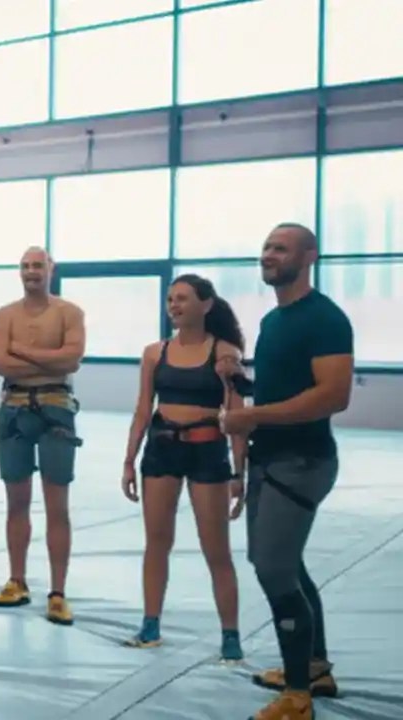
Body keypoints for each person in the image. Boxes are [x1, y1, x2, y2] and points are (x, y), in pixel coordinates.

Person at [219, 223, 354, 720]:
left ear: (309, 257)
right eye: (266, 248)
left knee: (274, 568)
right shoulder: (274, 322)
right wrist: (240, 382)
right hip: (271, 458)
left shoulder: (325, 319)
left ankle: (298, 696)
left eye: (280, 248)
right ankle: (314, 667)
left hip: (303, 461)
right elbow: (281, 391)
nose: (269, 255)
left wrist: (250, 417)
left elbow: (332, 395)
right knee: (286, 564)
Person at [120, 274, 247, 662]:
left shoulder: (226, 353)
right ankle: (150, 624)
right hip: (161, 450)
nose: (174, 305)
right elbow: (144, 407)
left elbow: (238, 415)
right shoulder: (154, 353)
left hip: (207, 452)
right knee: (157, 541)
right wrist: (129, 460)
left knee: (216, 550)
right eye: (170, 299)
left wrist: (239, 473)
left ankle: (230, 634)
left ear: (206, 305)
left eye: (183, 299)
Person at [0, 246, 85, 626]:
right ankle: (17, 580)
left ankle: (58, 592)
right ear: (19, 271)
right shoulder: (4, 314)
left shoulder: (69, 313)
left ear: (50, 269)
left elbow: (71, 360)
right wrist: (48, 355)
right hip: (13, 408)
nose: (32, 271)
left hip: (55, 407)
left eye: (38, 265)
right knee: (16, 501)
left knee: (57, 503)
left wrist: (21, 350)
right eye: (26, 266)